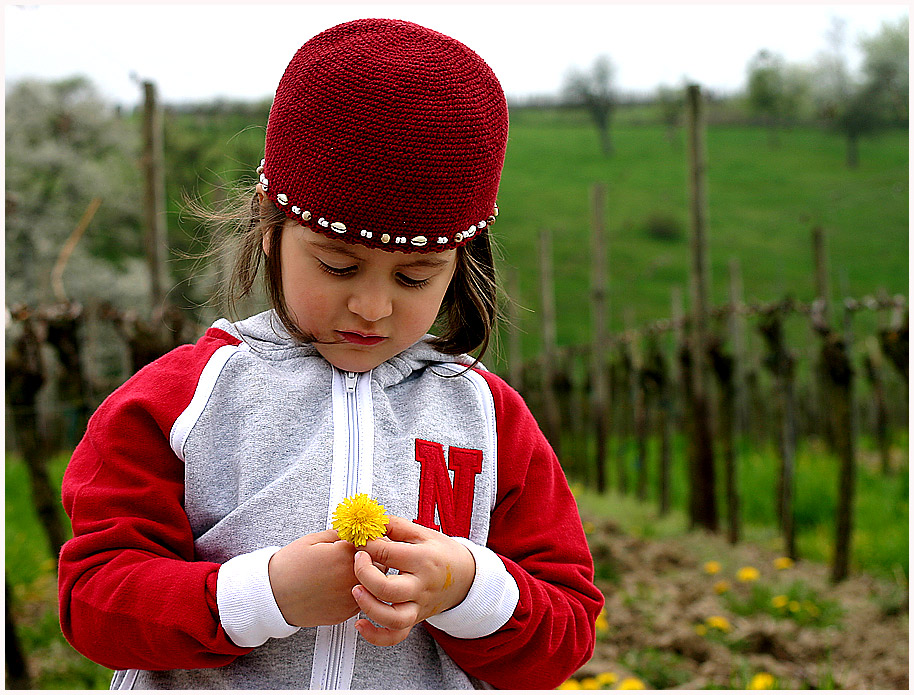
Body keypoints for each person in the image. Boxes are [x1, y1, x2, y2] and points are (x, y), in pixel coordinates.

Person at [57, 17, 604, 690]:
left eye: (414, 277)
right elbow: (92, 601)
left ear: (460, 263)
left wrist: (465, 587)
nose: (372, 307)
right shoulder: (181, 399)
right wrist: (262, 596)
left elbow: (566, 633)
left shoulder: (489, 418)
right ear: (269, 228)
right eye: (339, 267)